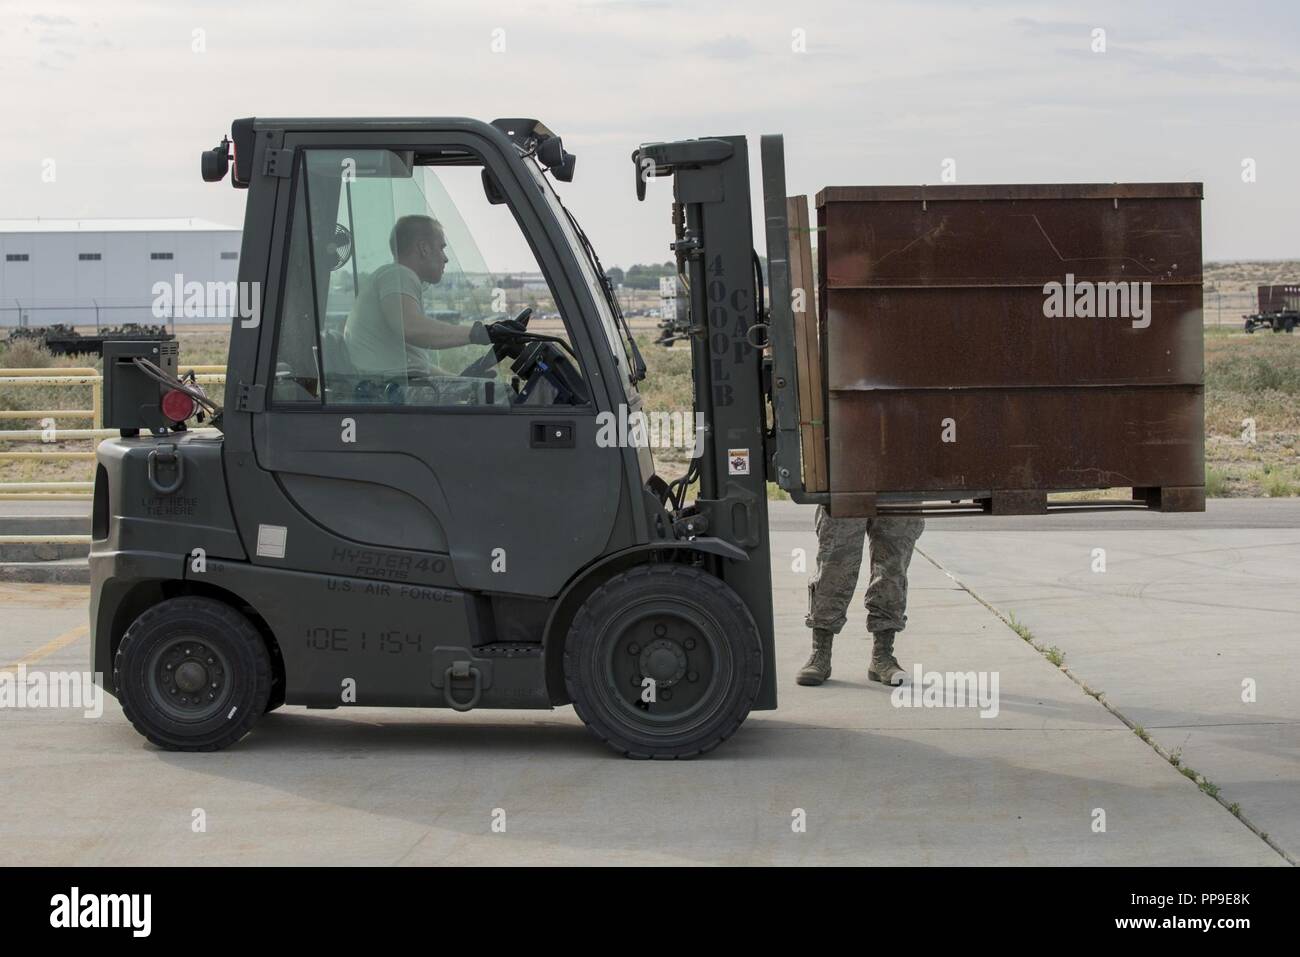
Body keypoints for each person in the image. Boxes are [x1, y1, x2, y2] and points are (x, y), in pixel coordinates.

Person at [343, 213, 515, 380]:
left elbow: (417, 367)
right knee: (504, 394)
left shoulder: (392, 278)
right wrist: (482, 333)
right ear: (424, 248)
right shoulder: (399, 274)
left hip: (390, 387)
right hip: (390, 390)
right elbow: (411, 328)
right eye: (441, 248)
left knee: (487, 391)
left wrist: (460, 379)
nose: (445, 258)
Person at [798, 507, 925, 687]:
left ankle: (882, 656)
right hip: (845, 490)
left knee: (892, 571)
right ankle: (820, 653)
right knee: (834, 565)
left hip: (898, 492)